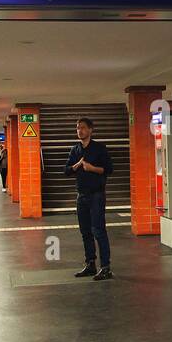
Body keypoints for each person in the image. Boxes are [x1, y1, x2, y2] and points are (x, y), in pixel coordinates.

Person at [65, 117, 114, 280]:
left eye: (83, 128)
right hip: (82, 195)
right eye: (78, 128)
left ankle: (106, 267)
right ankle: (90, 264)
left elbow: (109, 169)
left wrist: (92, 168)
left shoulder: (100, 149)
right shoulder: (75, 150)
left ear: (90, 130)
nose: (80, 131)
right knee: (85, 231)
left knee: (98, 230)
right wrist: (76, 166)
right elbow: (66, 171)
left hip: (96, 195)